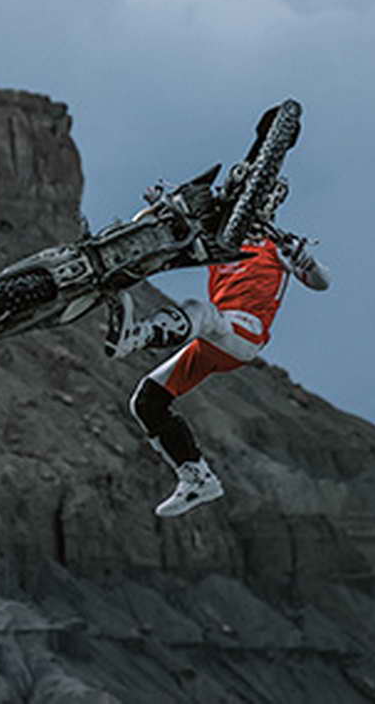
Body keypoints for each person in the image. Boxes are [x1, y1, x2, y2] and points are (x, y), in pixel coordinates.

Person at [104, 172, 331, 517]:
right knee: (146, 400)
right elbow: (168, 240)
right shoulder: (217, 240)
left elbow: (321, 283)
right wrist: (159, 210)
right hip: (216, 339)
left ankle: (134, 338)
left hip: (246, 332)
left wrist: (306, 261)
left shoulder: (275, 246)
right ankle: (196, 478)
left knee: (201, 311)